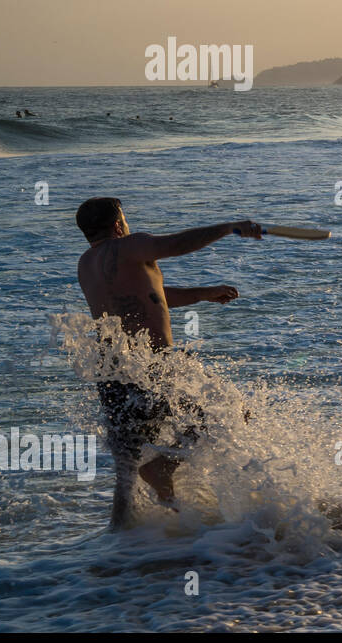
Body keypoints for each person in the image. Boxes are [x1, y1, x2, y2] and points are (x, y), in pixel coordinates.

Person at [74, 197, 263, 527]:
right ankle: (163, 468)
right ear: (118, 225)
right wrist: (230, 227)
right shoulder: (129, 245)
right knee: (229, 409)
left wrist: (202, 293)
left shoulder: (86, 264)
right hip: (151, 363)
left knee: (126, 470)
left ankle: (117, 552)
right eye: (125, 219)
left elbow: (146, 296)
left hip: (113, 372)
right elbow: (175, 244)